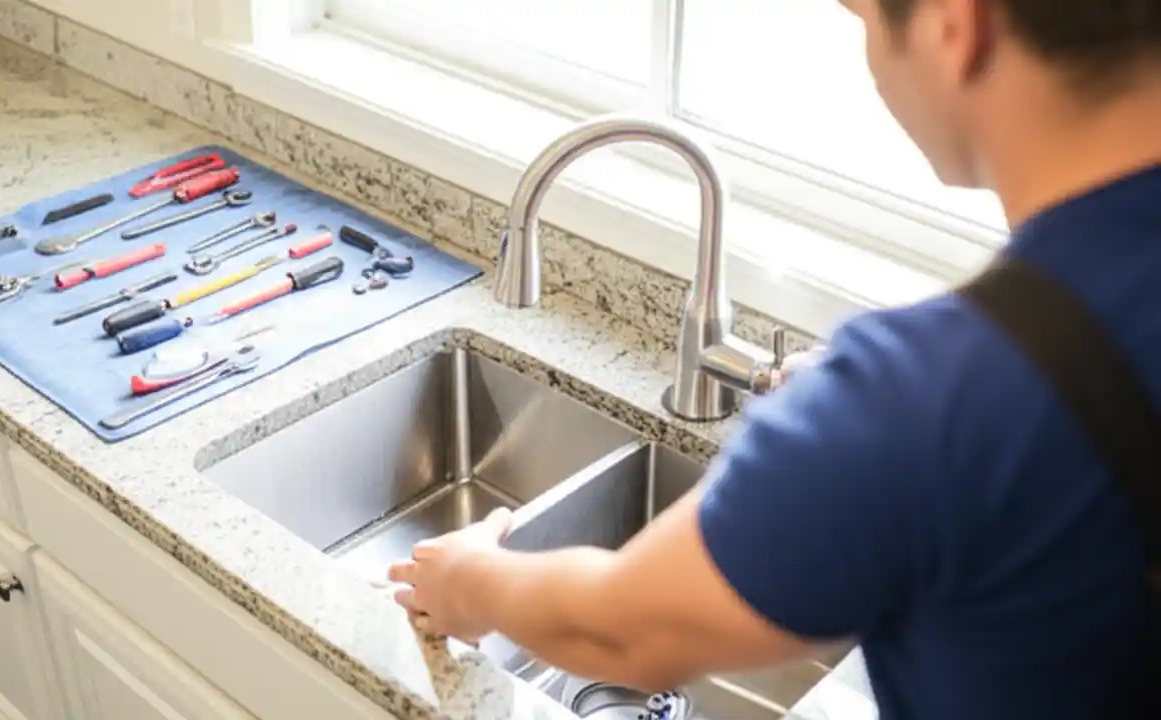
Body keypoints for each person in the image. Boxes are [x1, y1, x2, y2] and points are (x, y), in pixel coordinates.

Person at [387, 0, 1161, 717]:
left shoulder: (928, 396)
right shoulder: (971, 378)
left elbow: (623, 633)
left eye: (867, 20)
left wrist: (469, 580)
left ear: (955, 27)